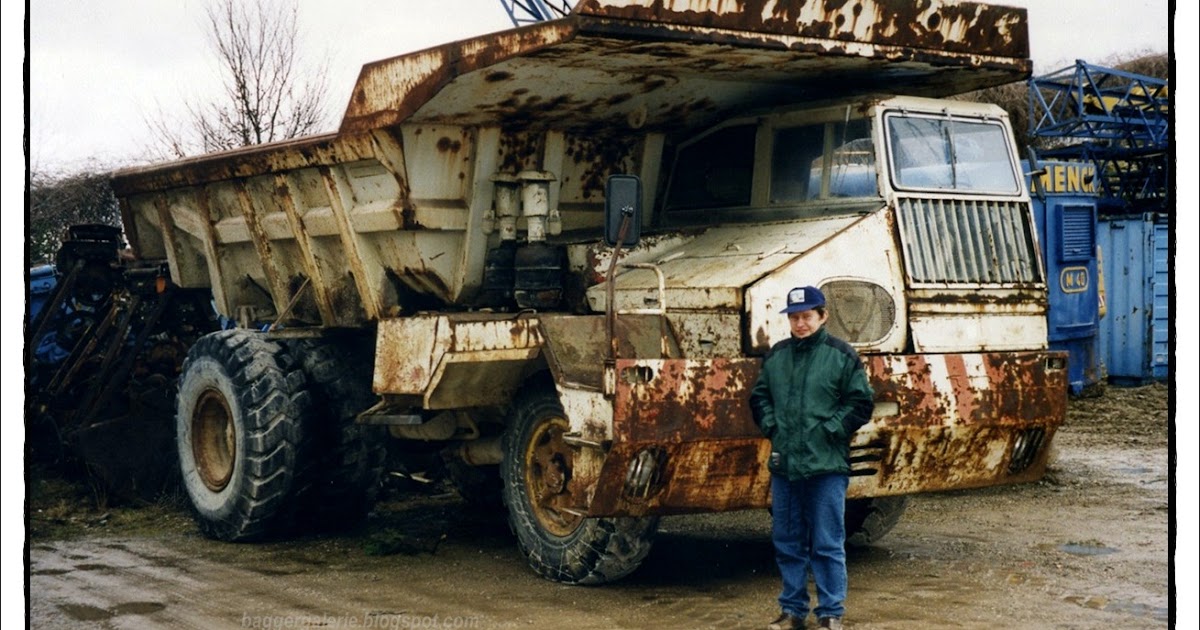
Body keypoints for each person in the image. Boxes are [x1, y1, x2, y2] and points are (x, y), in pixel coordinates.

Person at [749, 285, 875, 630]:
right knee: (788, 542)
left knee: (827, 543)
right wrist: (773, 428)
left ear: (823, 316)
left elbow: (861, 403)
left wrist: (831, 430)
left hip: (826, 467)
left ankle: (831, 613)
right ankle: (792, 612)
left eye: (807, 316)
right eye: (794, 317)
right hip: (785, 466)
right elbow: (759, 398)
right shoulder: (777, 356)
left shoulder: (841, 355)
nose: (800, 324)